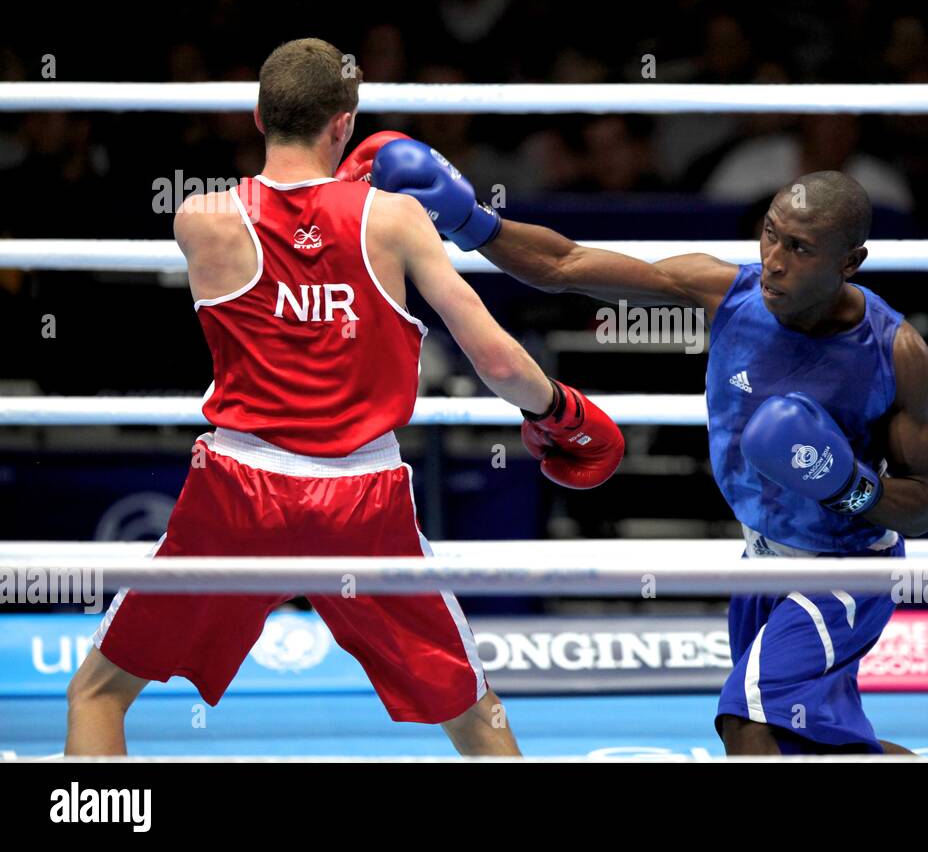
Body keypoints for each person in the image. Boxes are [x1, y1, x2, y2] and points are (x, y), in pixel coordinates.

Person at [64, 39, 624, 756]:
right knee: (473, 713)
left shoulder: (200, 220)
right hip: (364, 500)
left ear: (258, 117)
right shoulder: (394, 219)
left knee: (98, 693)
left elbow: (292, 233)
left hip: (239, 491)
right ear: (345, 123)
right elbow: (492, 356)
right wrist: (558, 411)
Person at [367, 136, 928, 755]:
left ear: (849, 262)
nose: (774, 260)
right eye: (771, 234)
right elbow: (566, 265)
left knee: (747, 727)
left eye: (800, 249)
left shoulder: (895, 353)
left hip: (845, 572)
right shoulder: (727, 292)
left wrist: (845, 484)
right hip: (764, 562)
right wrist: (473, 222)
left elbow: (922, 505)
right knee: (815, 743)